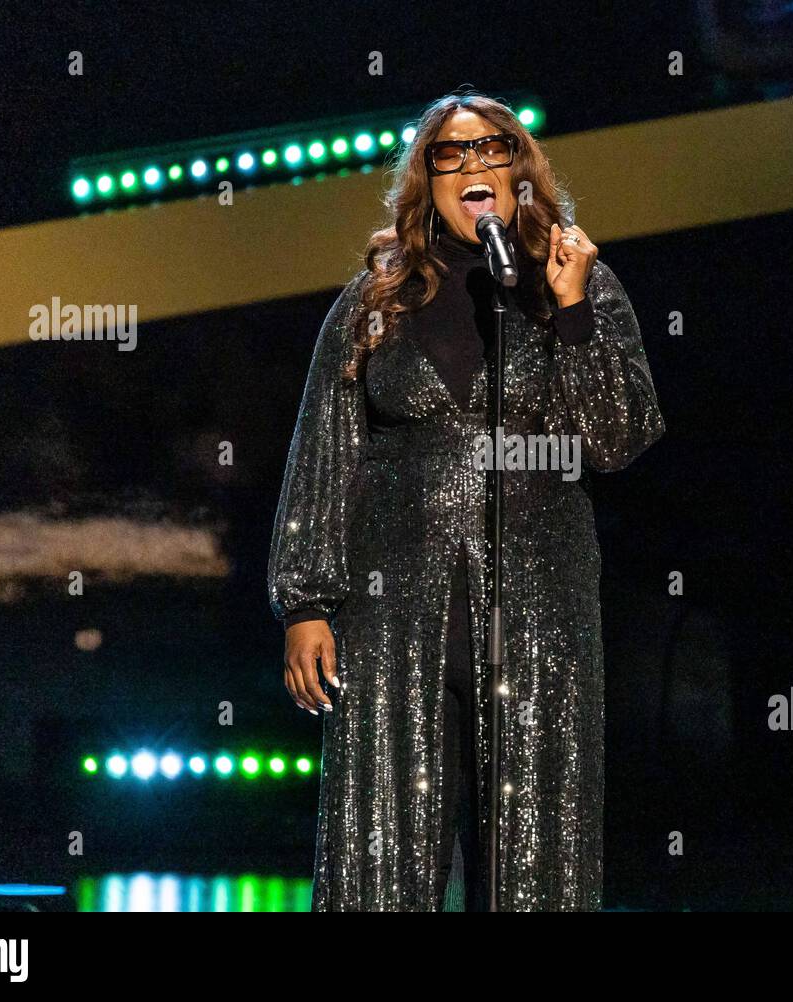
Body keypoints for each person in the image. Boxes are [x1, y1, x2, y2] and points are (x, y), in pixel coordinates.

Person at [268, 90, 665, 911]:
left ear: (521, 171)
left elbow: (617, 440)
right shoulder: (374, 299)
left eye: (493, 149)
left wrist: (572, 310)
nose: (475, 165)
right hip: (391, 617)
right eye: (452, 153)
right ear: (428, 178)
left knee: (532, 850)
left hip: (538, 610)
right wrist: (305, 602)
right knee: (381, 852)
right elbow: (324, 452)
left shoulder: (576, 280)